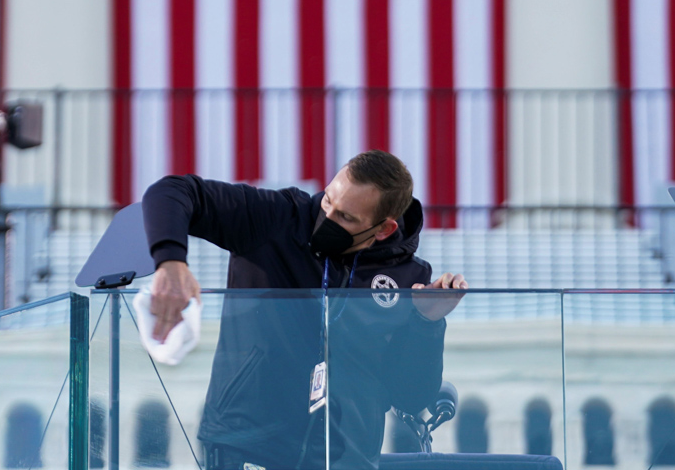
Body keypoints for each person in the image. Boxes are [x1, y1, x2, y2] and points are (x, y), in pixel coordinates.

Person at [143, 150, 468, 470]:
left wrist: (426, 323)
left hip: (347, 459)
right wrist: (170, 261)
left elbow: (409, 396)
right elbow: (173, 191)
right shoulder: (278, 217)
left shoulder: (409, 277)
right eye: (328, 200)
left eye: (346, 218)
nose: (327, 218)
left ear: (384, 229)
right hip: (248, 445)